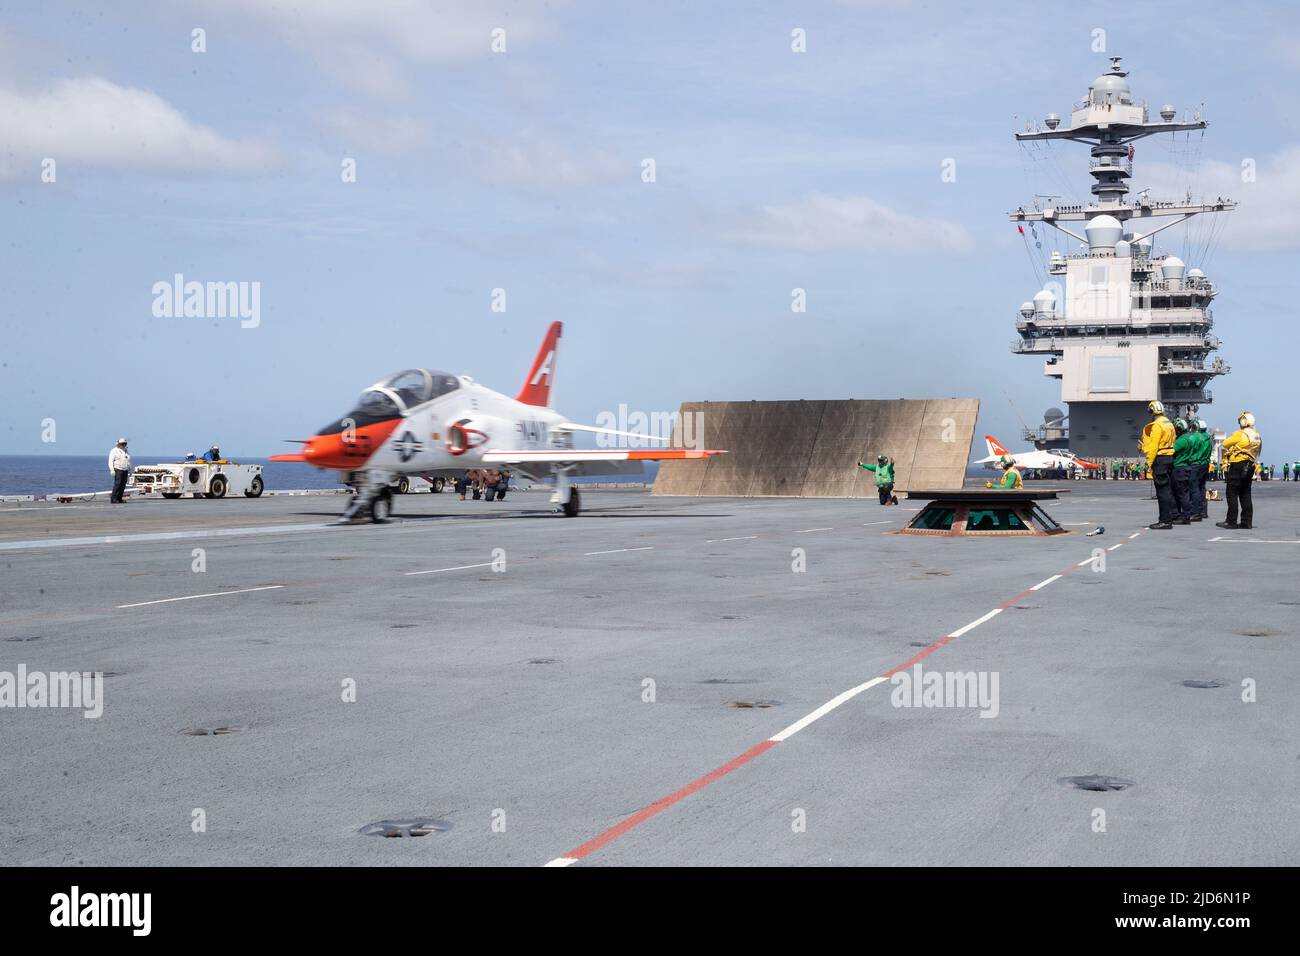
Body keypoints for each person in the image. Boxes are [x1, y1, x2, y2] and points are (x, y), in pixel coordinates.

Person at [1218, 411, 1262, 530]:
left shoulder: (1239, 434)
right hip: (1250, 466)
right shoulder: (1257, 435)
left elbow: (1225, 443)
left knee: (1232, 493)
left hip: (1238, 465)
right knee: (1245, 494)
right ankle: (1246, 522)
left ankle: (1231, 521)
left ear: (1244, 421)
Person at [1140, 400, 1176, 529]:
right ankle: (1169, 518)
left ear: (1152, 411)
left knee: (1162, 491)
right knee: (1168, 490)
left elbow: (1154, 446)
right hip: (1170, 457)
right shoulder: (1169, 424)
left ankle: (1164, 521)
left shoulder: (1156, 425)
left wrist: (1150, 462)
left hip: (1160, 459)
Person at [1170, 418, 1197, 525]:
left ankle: (1185, 516)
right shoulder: (1188, 438)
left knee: (1181, 493)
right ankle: (1180, 514)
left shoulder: (1181, 440)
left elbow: (1171, 450)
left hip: (1179, 468)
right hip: (1184, 467)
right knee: (1181, 492)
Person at [1192, 419, 1211, 521]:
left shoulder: (1197, 438)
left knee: (1194, 488)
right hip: (1205, 464)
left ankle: (1195, 512)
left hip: (1197, 464)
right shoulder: (1208, 438)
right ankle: (1203, 511)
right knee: (1202, 487)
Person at [108, 437, 131, 503]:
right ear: (118, 444)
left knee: (123, 485)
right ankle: (113, 498)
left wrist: (130, 469)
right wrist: (112, 470)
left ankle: (119, 498)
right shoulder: (114, 451)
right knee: (118, 484)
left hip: (125, 469)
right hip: (118, 469)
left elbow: (128, 460)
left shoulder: (125, 451)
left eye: (124, 444)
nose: (123, 445)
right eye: (122, 444)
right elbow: (110, 461)